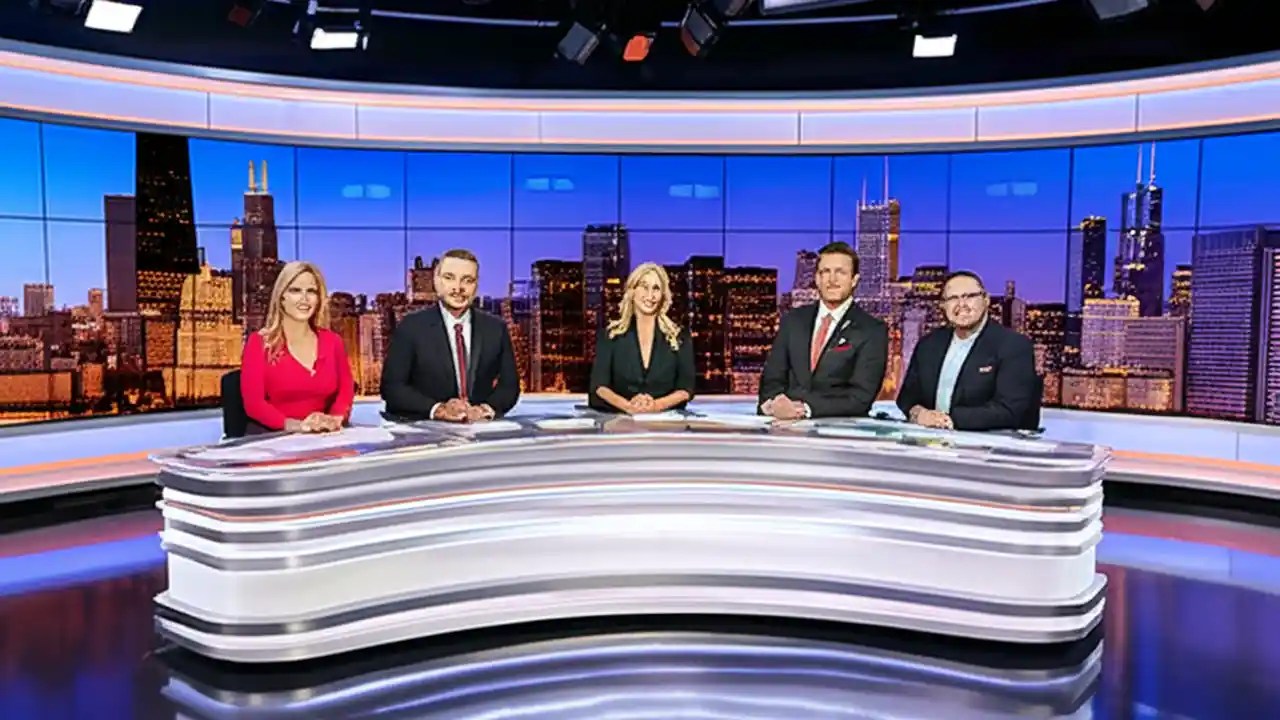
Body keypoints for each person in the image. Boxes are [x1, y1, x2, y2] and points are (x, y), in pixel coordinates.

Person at [380, 248, 519, 423]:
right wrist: (438, 409)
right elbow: (392, 387)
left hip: (478, 431)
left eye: (467, 280)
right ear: (436, 281)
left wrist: (485, 409)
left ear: (476, 285)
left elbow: (510, 386)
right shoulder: (411, 326)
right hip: (423, 432)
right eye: (449, 278)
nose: (458, 288)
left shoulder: (495, 328)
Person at [757, 241, 889, 419]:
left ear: (854, 280)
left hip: (839, 433)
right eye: (825, 272)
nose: (832, 279)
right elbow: (771, 380)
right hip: (785, 430)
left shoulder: (872, 330)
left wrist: (804, 409)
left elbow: (860, 397)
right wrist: (775, 403)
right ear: (817, 279)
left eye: (840, 272)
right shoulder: (793, 321)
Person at [896, 270, 1040, 432]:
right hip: (930, 443)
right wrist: (918, 414)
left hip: (989, 447)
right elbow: (907, 398)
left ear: (986, 300)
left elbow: (1010, 410)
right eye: (952, 298)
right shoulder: (929, 344)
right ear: (943, 306)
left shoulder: (1013, 346)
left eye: (970, 296)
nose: (961, 304)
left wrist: (950, 419)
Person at [240, 260, 354, 433]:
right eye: (295, 290)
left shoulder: (332, 342)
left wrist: (334, 419)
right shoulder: (259, 343)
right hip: (277, 440)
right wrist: (298, 427)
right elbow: (254, 404)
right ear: (282, 297)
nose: (304, 298)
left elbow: (346, 390)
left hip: (325, 439)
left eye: (311, 291)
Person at [589, 262, 696, 414]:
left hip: (668, 426)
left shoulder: (679, 337)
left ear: (663, 295)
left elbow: (687, 388)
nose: (650, 295)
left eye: (656, 288)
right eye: (644, 287)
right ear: (632, 291)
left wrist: (656, 406)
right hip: (620, 425)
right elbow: (599, 386)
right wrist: (628, 407)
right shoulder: (611, 336)